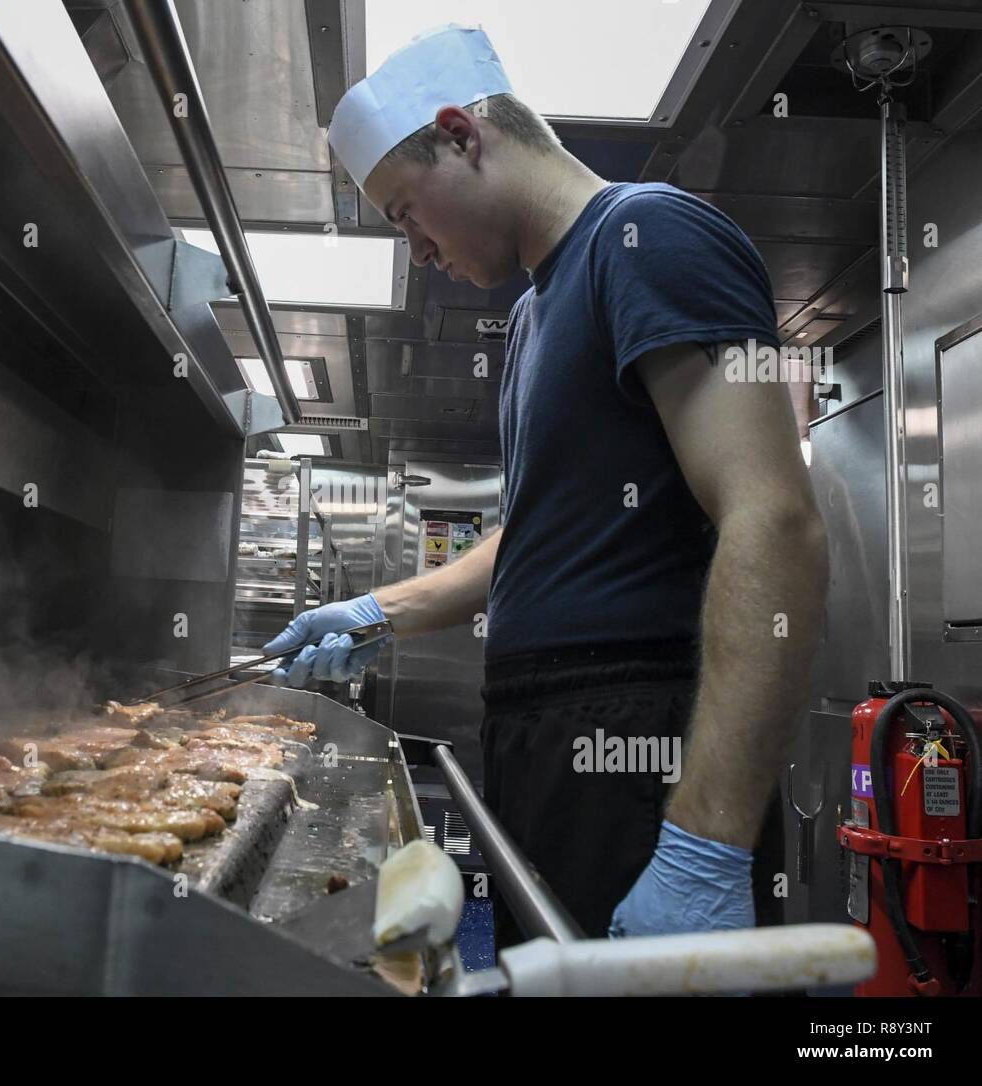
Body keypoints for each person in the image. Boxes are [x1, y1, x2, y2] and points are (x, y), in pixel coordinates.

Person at [263, 25, 829, 945]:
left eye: (407, 213)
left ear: (460, 134)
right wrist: (378, 611)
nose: (417, 250)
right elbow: (535, 532)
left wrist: (706, 847)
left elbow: (773, 518)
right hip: (546, 741)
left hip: (643, 750)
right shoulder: (533, 314)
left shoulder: (647, 237)